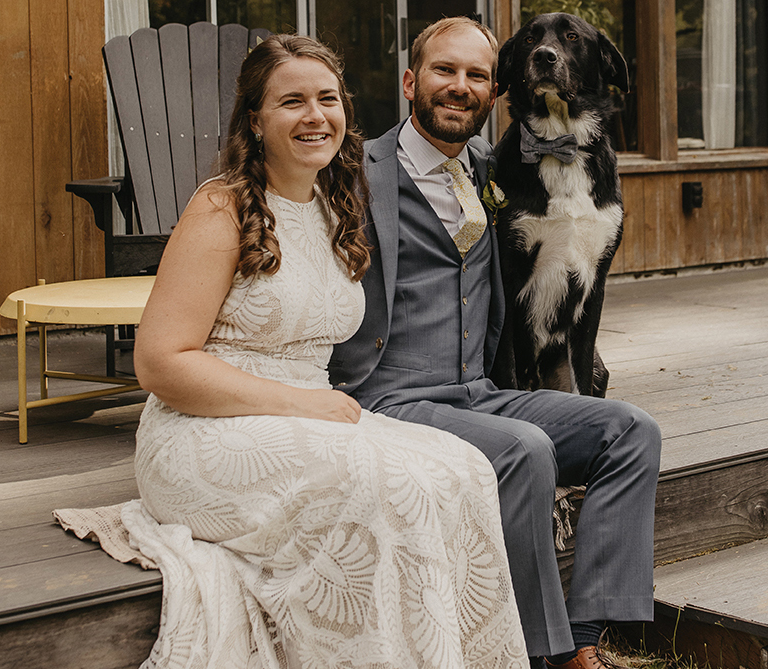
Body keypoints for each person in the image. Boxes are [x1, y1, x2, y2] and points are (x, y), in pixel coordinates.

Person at [123, 33, 529, 669]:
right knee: (386, 485)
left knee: (463, 470)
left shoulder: (336, 206)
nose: (315, 116)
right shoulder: (222, 207)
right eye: (292, 102)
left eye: (328, 99)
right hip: (205, 430)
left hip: (313, 414)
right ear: (255, 120)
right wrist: (301, 404)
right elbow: (160, 363)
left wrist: (316, 406)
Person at [329, 17, 662, 669]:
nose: (460, 86)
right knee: (526, 449)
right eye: (443, 70)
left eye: (475, 75)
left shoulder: (499, 168)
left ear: (494, 91)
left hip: (481, 391)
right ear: (410, 82)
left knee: (632, 431)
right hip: (391, 396)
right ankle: (550, 653)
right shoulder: (354, 172)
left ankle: (586, 630)